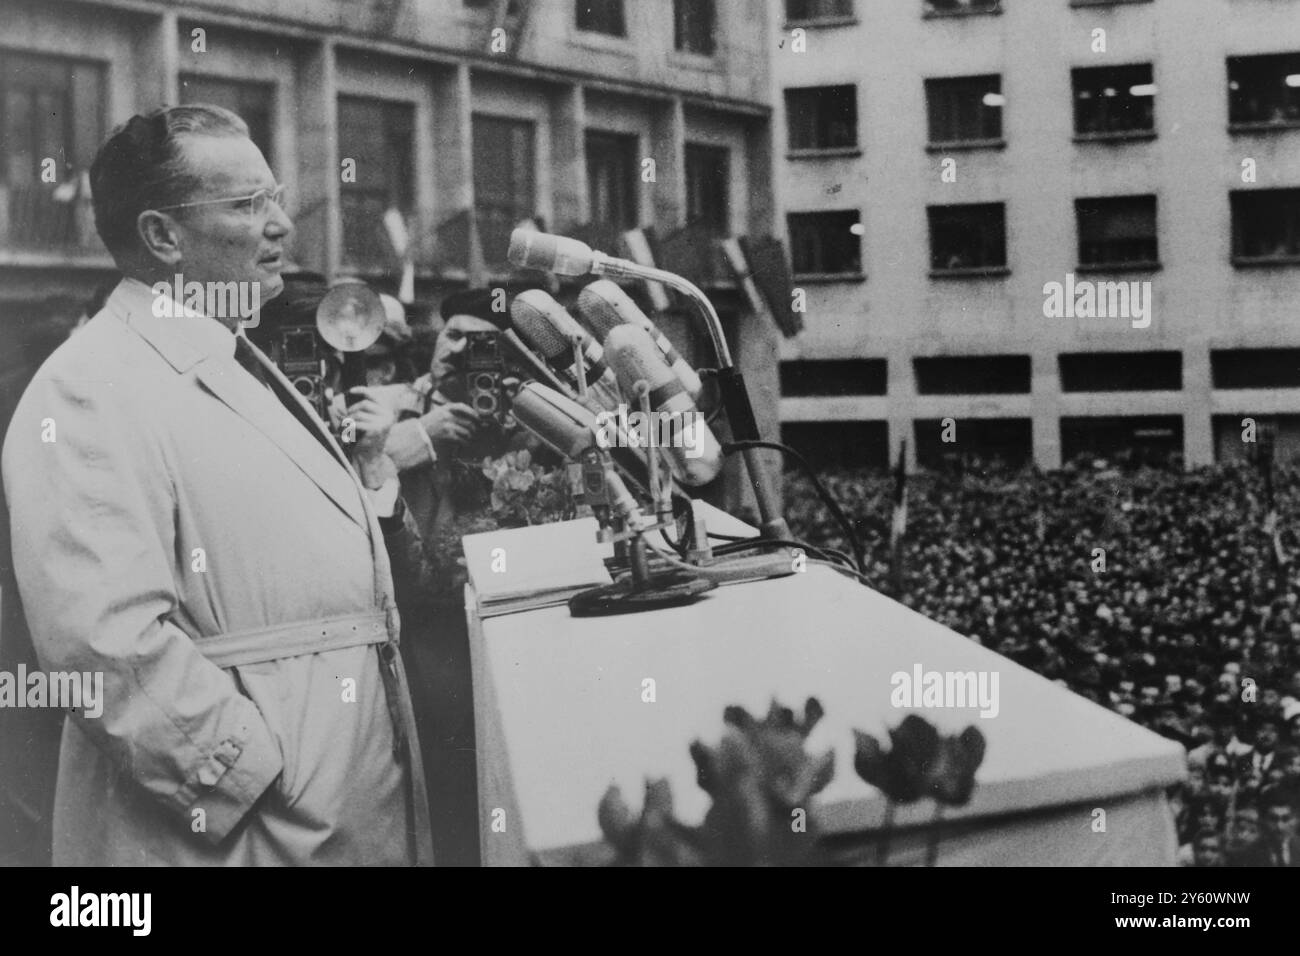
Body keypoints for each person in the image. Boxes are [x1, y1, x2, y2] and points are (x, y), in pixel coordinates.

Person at [1, 104, 433, 866]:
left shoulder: (231, 353)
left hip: (331, 794)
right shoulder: (89, 384)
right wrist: (249, 777)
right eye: (246, 204)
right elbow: (101, 642)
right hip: (246, 829)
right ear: (163, 236)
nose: (282, 226)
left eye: (274, 197)